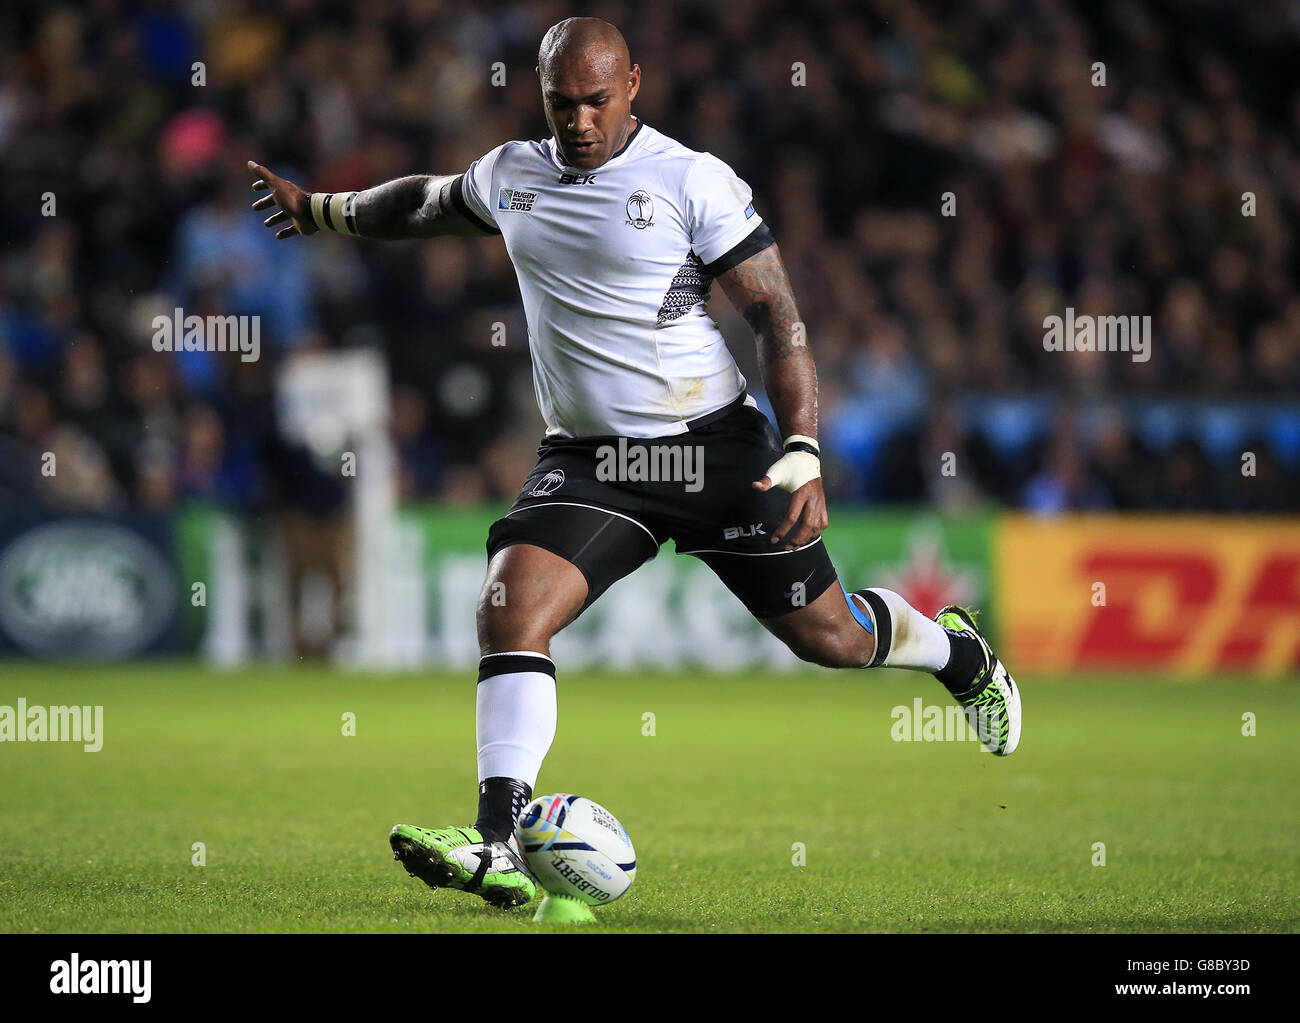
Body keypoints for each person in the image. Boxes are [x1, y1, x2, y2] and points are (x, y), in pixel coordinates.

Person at [248, 17, 1021, 910]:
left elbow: (777, 315)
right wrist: (321, 210)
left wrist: (803, 445)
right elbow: (424, 201)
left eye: (596, 101)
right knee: (510, 609)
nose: (578, 121)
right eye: (560, 103)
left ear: (634, 87)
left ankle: (955, 652)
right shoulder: (513, 174)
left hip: (715, 451)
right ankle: (496, 839)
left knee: (832, 638)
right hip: (589, 462)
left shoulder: (693, 180)